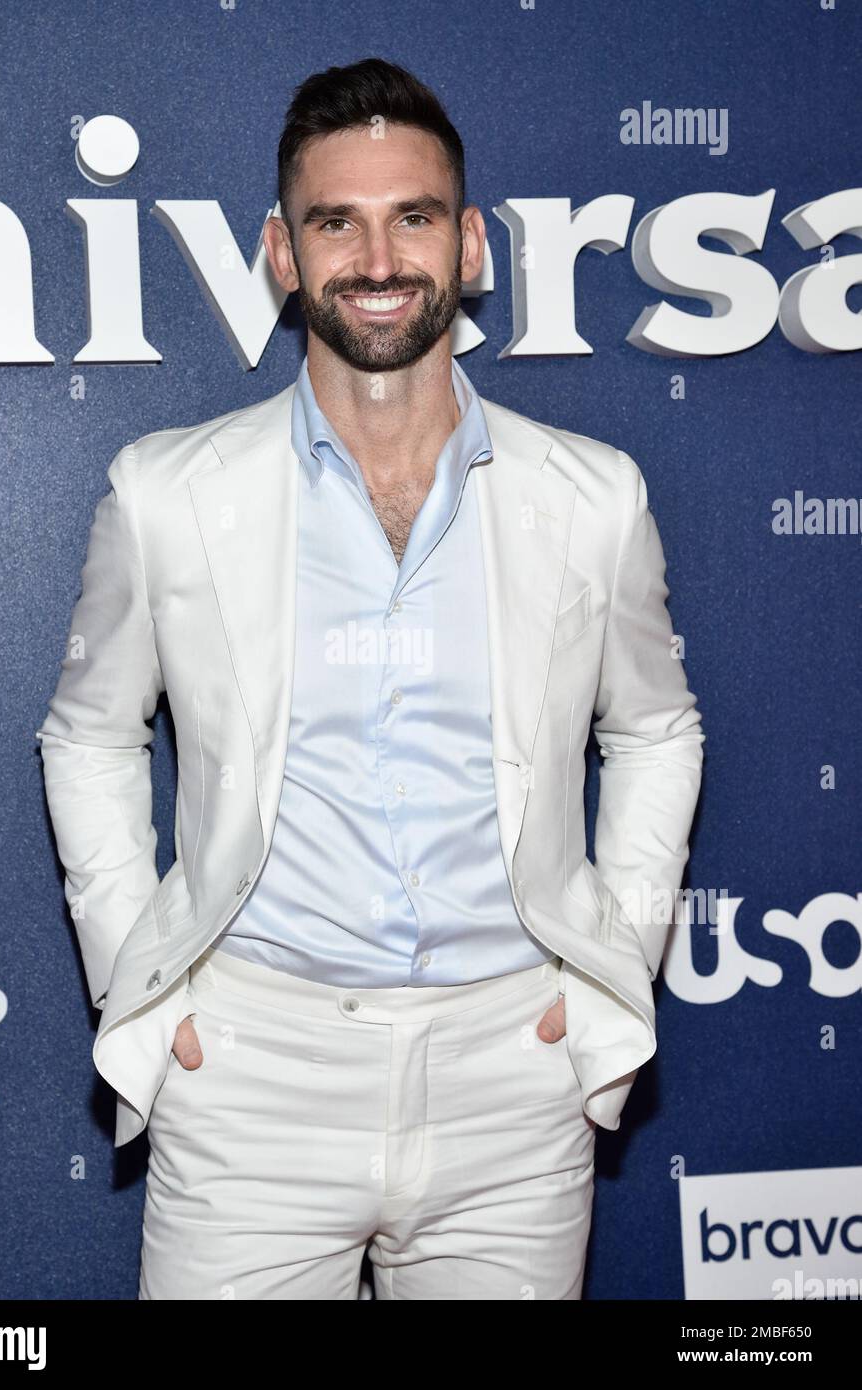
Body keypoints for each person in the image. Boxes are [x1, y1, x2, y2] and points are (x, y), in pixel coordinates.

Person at [36, 57, 704, 1300]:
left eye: (415, 216)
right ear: (282, 256)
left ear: (473, 246)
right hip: (251, 1077)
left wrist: (616, 947)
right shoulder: (168, 493)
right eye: (335, 221)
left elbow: (658, 728)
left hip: (515, 1075)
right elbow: (86, 738)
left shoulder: (592, 494)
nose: (379, 256)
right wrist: (139, 973)